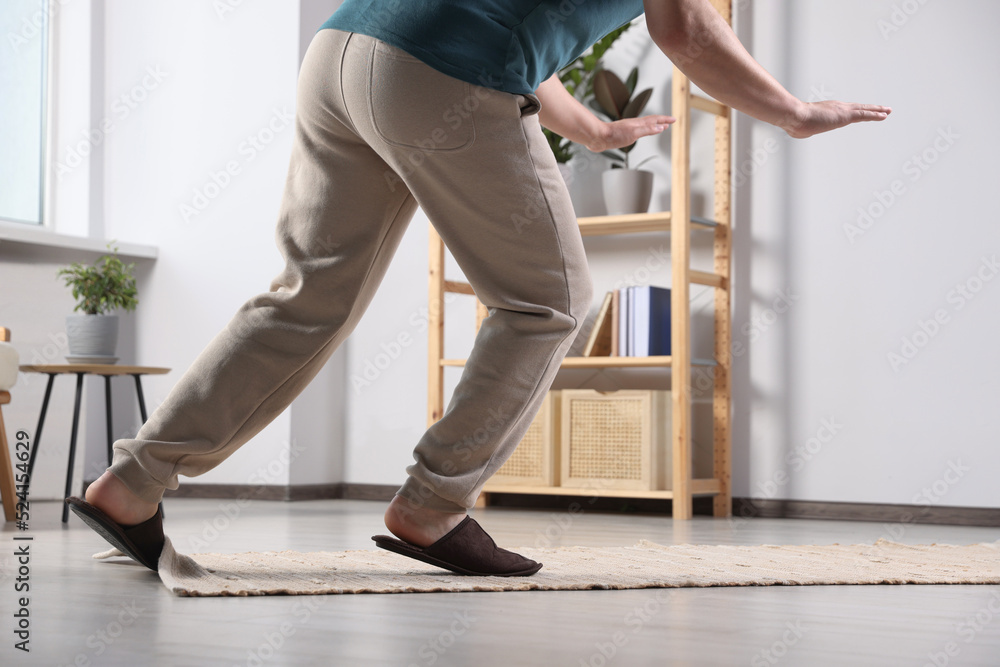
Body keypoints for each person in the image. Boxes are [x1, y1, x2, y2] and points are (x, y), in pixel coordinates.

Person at [68, 0, 891, 576]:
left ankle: (132, 482)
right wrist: (790, 111)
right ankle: (432, 503)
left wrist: (598, 130)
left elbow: (499, 21)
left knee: (306, 294)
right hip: (439, 72)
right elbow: (685, 26)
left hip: (344, 51)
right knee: (553, 301)